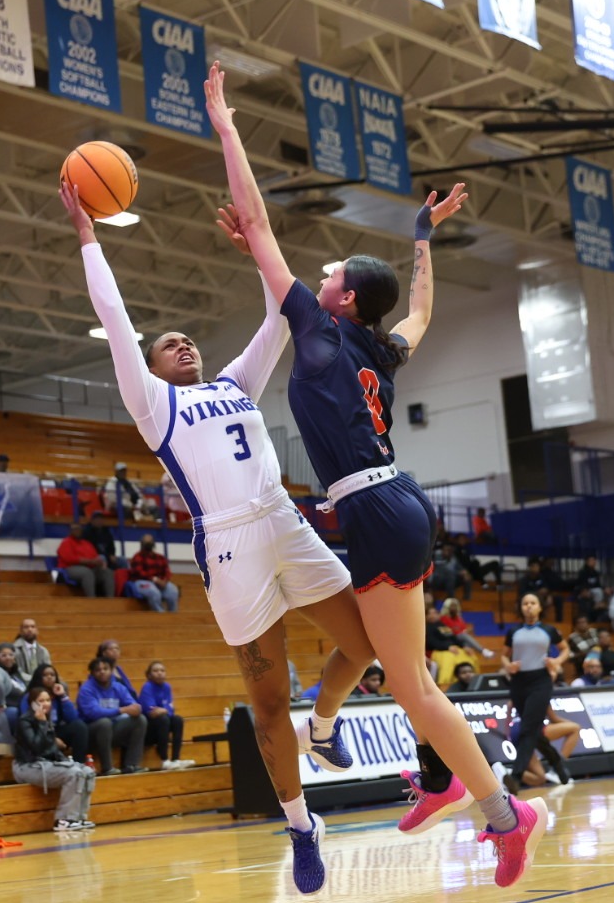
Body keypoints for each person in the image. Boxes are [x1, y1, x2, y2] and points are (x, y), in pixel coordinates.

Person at [208, 62, 542, 888]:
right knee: (402, 672)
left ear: (345, 300)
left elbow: (258, 218)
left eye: (330, 274)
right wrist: (421, 237)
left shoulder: (320, 332)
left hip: (377, 508)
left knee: (414, 686)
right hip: (392, 503)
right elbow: (420, 311)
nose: (318, 275)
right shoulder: (376, 346)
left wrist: (225, 123)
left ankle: (506, 814)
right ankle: (429, 774)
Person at [64, 155, 378, 895]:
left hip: (284, 519)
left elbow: (279, 316)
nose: (184, 344)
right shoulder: (154, 405)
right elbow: (115, 321)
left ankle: (324, 724)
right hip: (230, 544)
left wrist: (256, 248)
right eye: (168, 343)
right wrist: (87, 236)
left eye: (188, 339)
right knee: (266, 704)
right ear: (148, 367)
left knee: (367, 641)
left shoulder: (235, 383)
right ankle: (300, 826)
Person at [502, 593, 571, 790]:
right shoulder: (513, 631)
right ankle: (557, 762)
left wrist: (556, 661)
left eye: (533, 603)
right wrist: (508, 665)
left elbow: (565, 649)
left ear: (540, 608)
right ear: (521, 608)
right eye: (525, 603)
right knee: (532, 730)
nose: (529, 606)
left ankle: (516, 777)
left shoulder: (549, 630)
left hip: (541, 681)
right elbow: (504, 656)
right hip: (519, 682)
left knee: (528, 729)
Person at [13, 685, 97, 832]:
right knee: (74, 774)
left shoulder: (47, 720)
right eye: (41, 701)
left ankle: (79, 817)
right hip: (27, 766)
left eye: (48, 700)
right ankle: (64, 820)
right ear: (32, 703)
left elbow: (52, 749)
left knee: (86, 771)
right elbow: (36, 747)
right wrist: (42, 724)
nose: (45, 704)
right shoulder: (24, 721)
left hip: (47, 763)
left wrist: (67, 761)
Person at [77, 657, 148, 774]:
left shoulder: (118, 687)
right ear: (92, 673)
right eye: (98, 670)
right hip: (91, 733)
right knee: (104, 722)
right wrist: (121, 710)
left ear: (111, 671)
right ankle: (107, 768)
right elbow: (93, 713)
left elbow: (134, 705)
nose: (102, 672)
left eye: (105, 669)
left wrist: (136, 709)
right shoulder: (86, 689)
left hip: (112, 729)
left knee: (140, 719)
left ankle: (132, 765)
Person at [21, 663, 90, 763]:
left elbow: (73, 718)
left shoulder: (58, 696)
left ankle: (79, 764)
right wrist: (52, 739)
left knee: (79, 726)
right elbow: (27, 723)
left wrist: (63, 696)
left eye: (52, 675)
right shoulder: (29, 697)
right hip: (38, 733)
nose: (49, 677)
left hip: (56, 730)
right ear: (38, 677)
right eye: (45, 675)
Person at [139, 661, 190, 770]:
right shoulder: (147, 687)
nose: (159, 673)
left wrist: (163, 710)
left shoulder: (167, 687)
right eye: (155, 671)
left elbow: (171, 709)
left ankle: (176, 759)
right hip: (148, 729)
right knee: (163, 719)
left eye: (162, 670)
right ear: (149, 675)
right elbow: (151, 712)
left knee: (178, 720)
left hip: (162, 723)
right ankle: (164, 760)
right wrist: (164, 710)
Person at [128, 535, 180, 611]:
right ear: (142, 544)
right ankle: (160, 615)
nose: (148, 543)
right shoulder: (137, 556)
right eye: (146, 542)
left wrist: (164, 581)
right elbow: (139, 573)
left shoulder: (160, 557)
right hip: (142, 581)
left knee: (173, 591)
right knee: (154, 592)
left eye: (150, 542)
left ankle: (173, 615)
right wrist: (155, 579)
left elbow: (167, 571)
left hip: (160, 582)